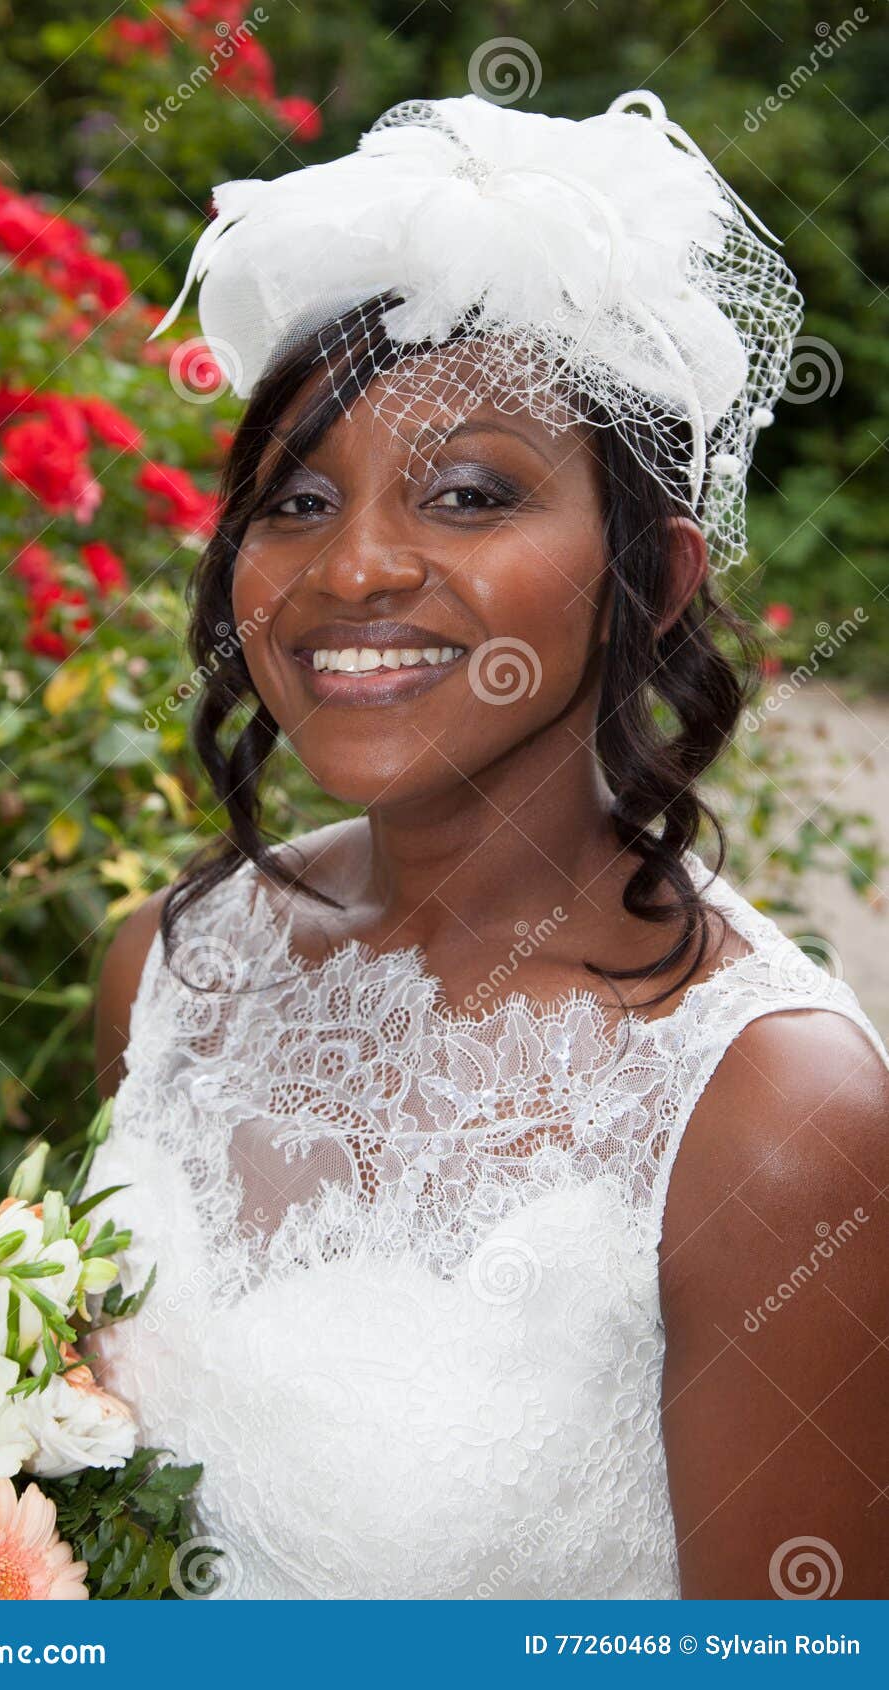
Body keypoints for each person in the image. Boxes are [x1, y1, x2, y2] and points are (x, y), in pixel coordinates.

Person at [90, 91, 889, 1599]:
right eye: (297, 499)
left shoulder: (776, 1118)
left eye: (469, 494)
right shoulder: (172, 973)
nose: (356, 567)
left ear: (656, 576)